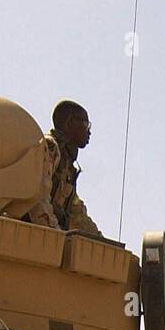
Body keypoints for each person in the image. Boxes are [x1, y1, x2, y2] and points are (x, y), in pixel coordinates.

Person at [27, 99, 101, 236]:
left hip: (42, 237)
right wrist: (58, 238)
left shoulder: (66, 166)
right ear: (70, 123)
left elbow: (77, 215)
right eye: (85, 124)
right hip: (28, 235)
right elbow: (37, 202)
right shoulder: (49, 149)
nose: (89, 132)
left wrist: (103, 243)